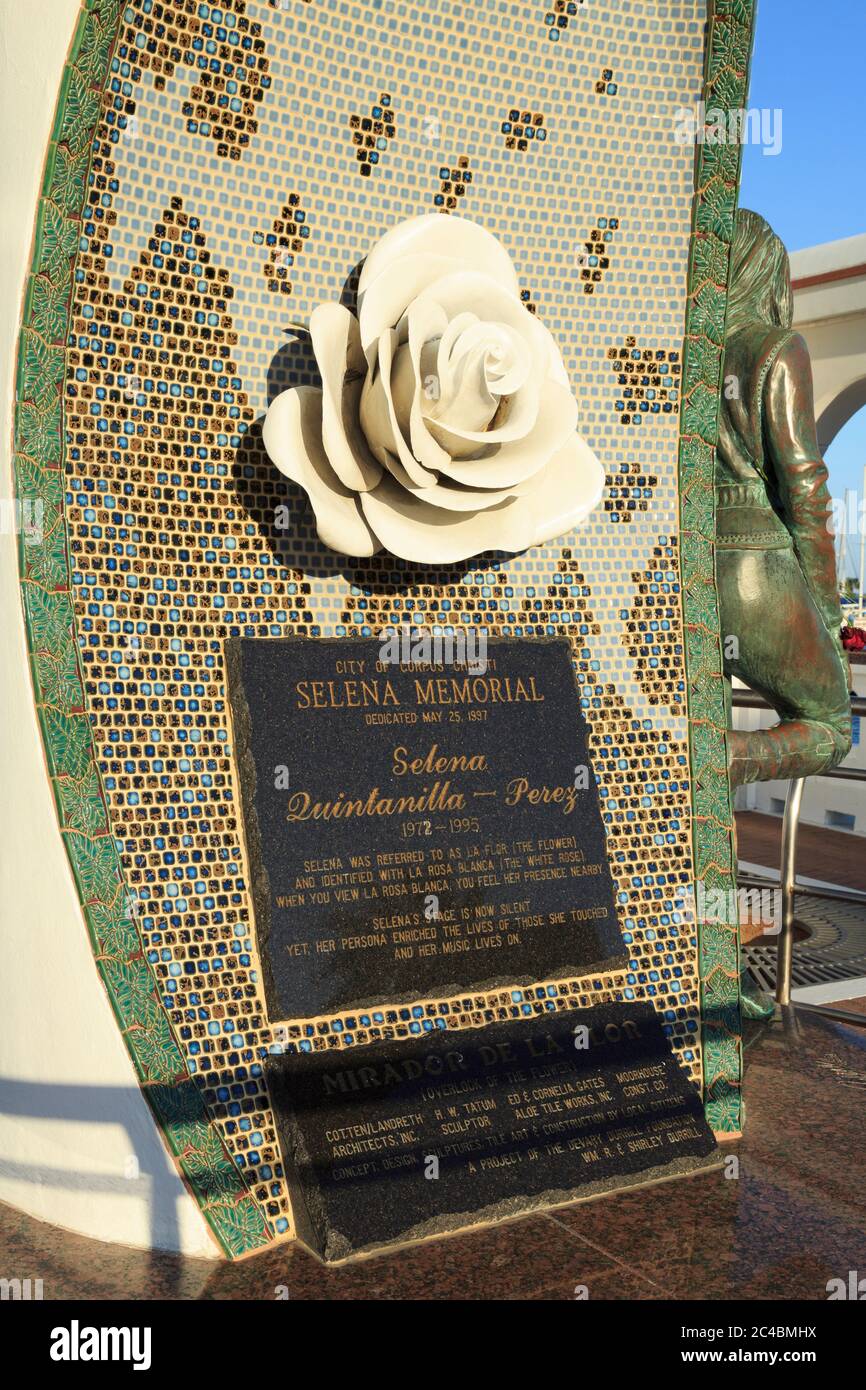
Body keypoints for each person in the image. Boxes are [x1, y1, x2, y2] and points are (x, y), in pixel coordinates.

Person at [716, 210, 852, 1015]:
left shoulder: (686, 357)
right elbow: (803, 485)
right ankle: (722, 758)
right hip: (758, 566)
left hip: (690, 571)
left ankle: (708, 972)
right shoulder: (775, 349)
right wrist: (828, 612)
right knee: (832, 724)